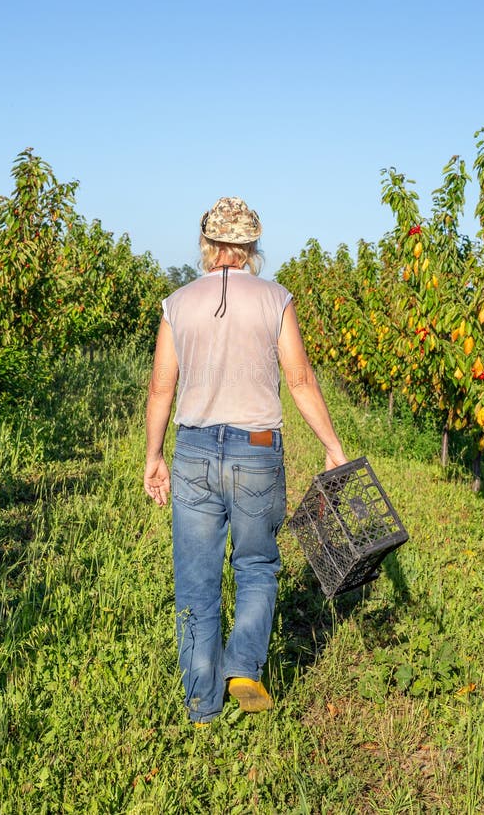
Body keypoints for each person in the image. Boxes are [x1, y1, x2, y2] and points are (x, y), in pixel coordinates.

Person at [144, 197, 347, 725]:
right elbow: (300, 380)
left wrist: (153, 455)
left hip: (191, 449)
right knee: (256, 565)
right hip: (257, 448)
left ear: (207, 244)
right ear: (251, 246)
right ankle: (243, 667)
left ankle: (200, 705)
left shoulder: (177, 303)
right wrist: (331, 445)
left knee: (195, 578)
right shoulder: (275, 298)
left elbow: (162, 386)